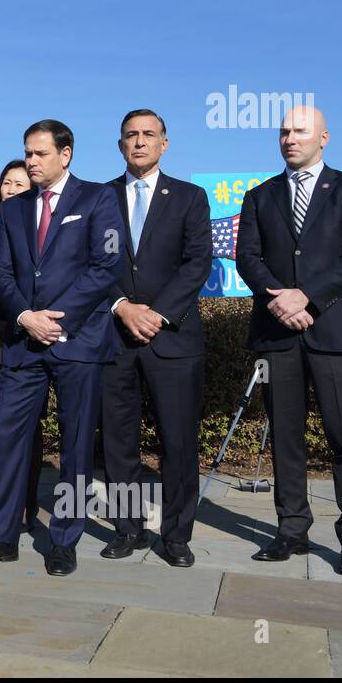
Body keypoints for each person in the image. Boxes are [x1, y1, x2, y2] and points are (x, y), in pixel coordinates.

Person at [0, 119, 122, 577]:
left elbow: (105, 265)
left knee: (73, 446)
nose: (30, 161)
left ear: (65, 155)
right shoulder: (14, 211)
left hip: (78, 342)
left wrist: (55, 318)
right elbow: (2, 274)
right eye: (27, 153)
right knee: (7, 438)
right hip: (23, 344)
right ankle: (0, 536)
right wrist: (27, 318)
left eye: (40, 154)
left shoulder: (98, 199)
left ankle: (65, 540)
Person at [235, 105, 342, 575]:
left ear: (324, 137)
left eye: (300, 131)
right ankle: (291, 531)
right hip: (277, 334)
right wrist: (280, 299)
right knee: (286, 438)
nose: (290, 138)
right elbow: (248, 259)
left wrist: (308, 299)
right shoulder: (259, 197)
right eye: (283, 131)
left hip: (336, 333)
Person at [100, 109, 212, 567]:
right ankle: (129, 530)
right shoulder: (97, 198)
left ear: (165, 144)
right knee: (118, 442)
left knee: (179, 440)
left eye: (149, 135)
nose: (140, 141)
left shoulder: (189, 197)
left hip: (174, 339)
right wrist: (123, 307)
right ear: (120, 144)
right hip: (114, 337)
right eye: (131, 135)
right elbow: (91, 264)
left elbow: (197, 262)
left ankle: (177, 534)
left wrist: (158, 314)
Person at [0, 159, 45, 531]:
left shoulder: (41, 236)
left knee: (27, 431)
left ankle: (25, 504)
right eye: (7, 182)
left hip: (26, 341)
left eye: (20, 184)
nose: (11, 189)